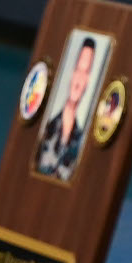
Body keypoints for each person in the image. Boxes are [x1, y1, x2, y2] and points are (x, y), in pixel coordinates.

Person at [35, 35, 101, 181]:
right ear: (72, 73)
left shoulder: (83, 142)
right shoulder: (44, 127)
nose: (79, 80)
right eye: (78, 69)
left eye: (86, 72)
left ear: (89, 80)